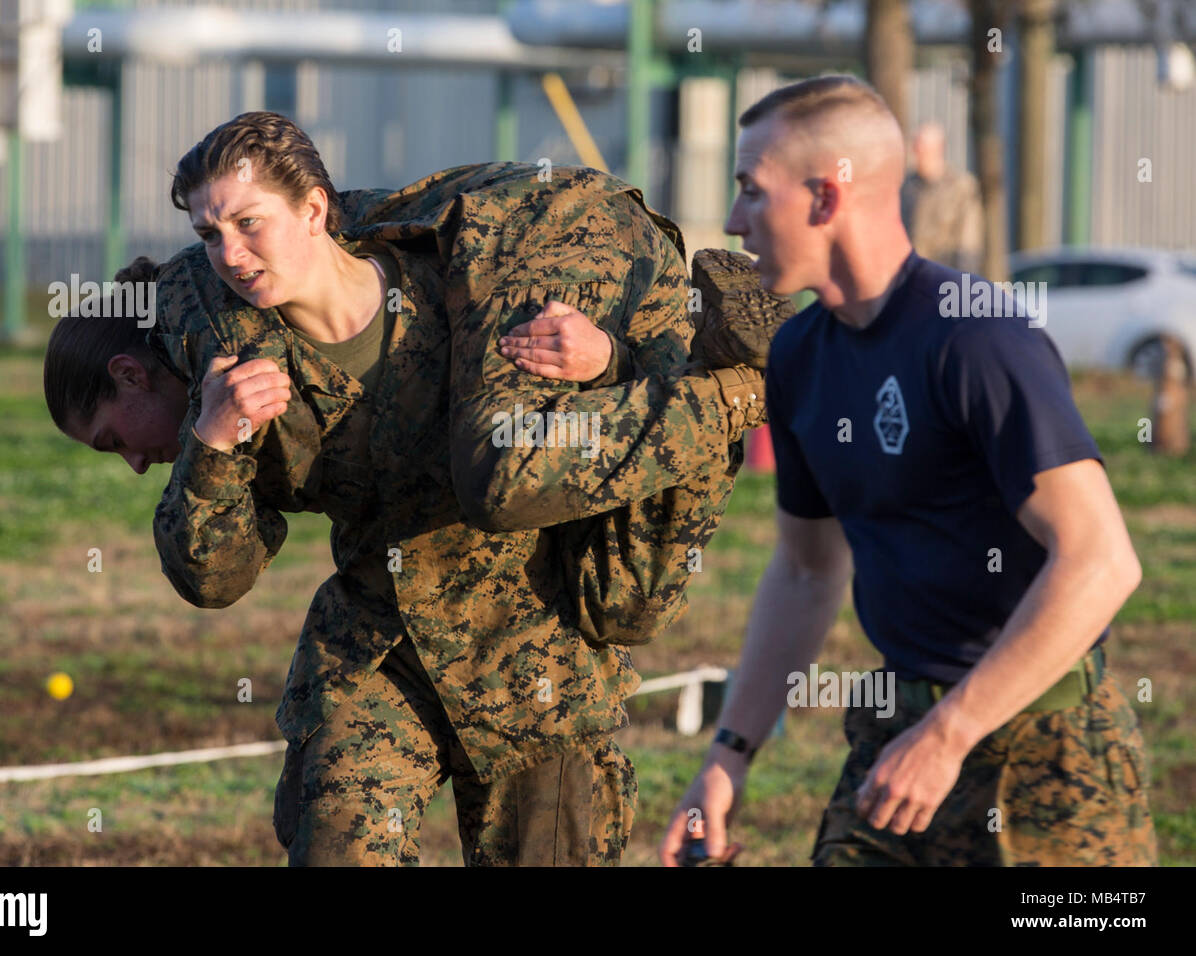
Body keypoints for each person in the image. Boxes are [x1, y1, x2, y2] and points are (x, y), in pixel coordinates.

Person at [44, 112, 788, 865]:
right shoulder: (224, 357)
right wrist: (213, 441)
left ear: (313, 210)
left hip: (538, 650)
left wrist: (618, 365)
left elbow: (554, 442)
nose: (229, 255)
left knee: (620, 584)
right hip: (381, 643)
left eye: (113, 441)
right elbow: (212, 575)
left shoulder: (467, 282)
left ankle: (736, 382)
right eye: (210, 236)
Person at [660, 75, 1158, 867]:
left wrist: (952, 733)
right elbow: (802, 571)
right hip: (899, 732)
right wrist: (728, 754)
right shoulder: (797, 355)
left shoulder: (976, 336)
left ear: (826, 197)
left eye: (752, 192)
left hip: (1046, 750)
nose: (731, 222)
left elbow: (1101, 560)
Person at [900, 121, 983, 275]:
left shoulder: (961, 188)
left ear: (938, 150)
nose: (917, 154)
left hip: (943, 277)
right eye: (916, 148)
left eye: (922, 149)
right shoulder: (906, 188)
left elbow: (967, 244)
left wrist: (961, 286)